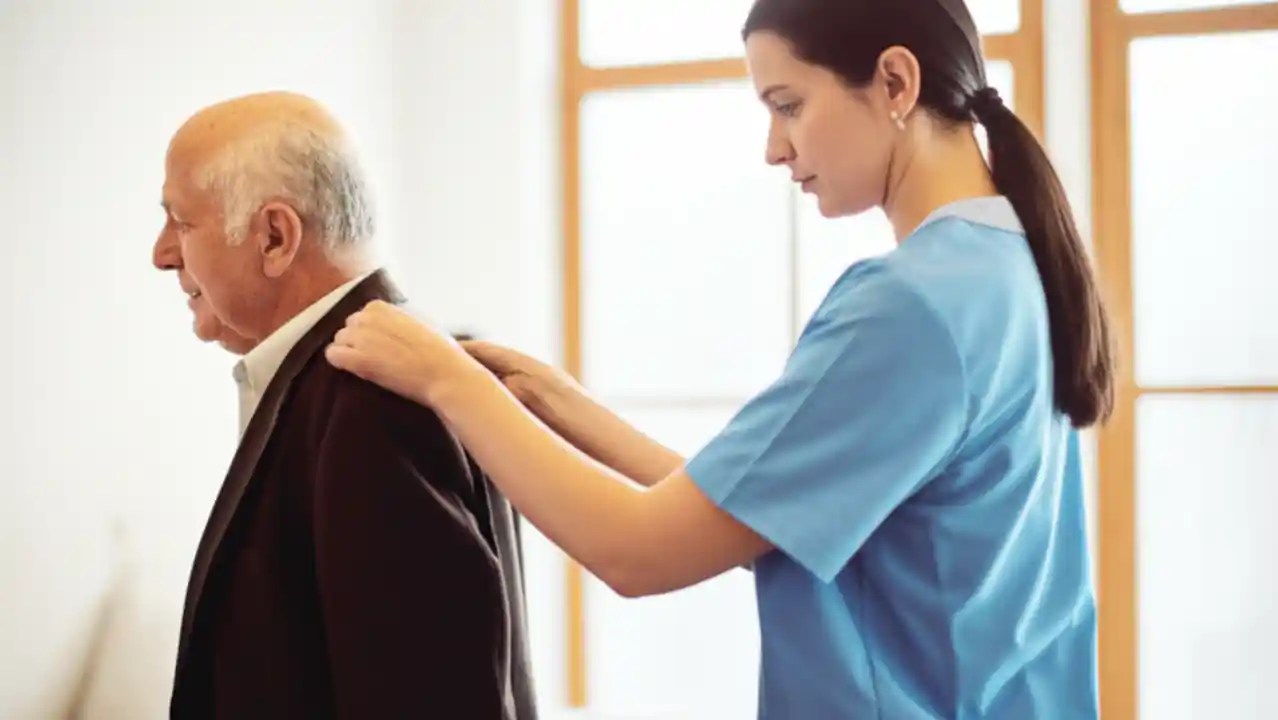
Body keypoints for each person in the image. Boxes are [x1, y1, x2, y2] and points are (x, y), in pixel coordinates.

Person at [327, 0, 1115, 716]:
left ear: (896, 81)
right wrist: (559, 404)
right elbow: (763, 515)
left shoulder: (913, 306)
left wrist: (446, 378)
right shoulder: (1006, 262)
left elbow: (638, 551)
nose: (775, 148)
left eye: (789, 105)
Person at [152, 91, 536, 719]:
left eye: (182, 222)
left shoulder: (370, 398)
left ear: (275, 237)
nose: (162, 253)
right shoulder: (353, 372)